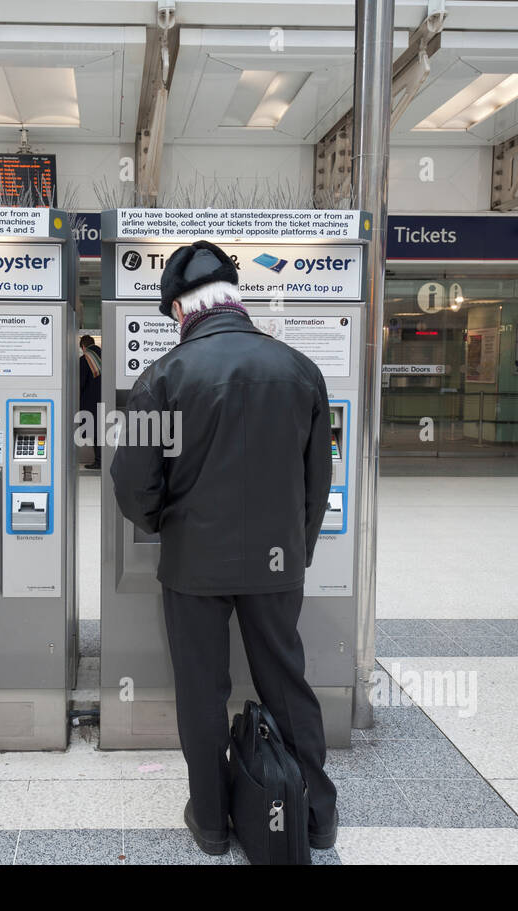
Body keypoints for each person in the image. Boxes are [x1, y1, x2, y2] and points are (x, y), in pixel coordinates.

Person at [110, 241, 338, 855]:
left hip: (194, 563)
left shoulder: (161, 376)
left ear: (182, 310)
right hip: (277, 560)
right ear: (235, 299)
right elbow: (320, 478)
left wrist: (167, 523)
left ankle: (211, 821)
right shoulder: (299, 369)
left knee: (202, 691)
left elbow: (132, 484)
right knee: (287, 682)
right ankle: (316, 817)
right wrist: (298, 546)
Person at [78, 333, 102, 469]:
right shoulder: (105, 354)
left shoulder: (85, 359)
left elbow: (81, 383)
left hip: (91, 401)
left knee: (95, 431)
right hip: (106, 398)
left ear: (83, 346)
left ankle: (99, 460)